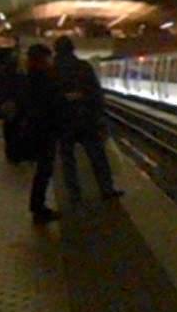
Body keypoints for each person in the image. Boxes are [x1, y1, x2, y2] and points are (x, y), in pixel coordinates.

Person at [53, 37, 122, 202]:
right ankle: (107, 188)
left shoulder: (52, 70)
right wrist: (99, 116)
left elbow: (48, 98)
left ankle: (74, 194)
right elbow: (96, 94)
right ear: (72, 49)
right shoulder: (83, 67)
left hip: (63, 122)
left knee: (68, 160)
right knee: (98, 156)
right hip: (86, 119)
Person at [21, 44, 62, 224]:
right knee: (44, 170)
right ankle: (38, 208)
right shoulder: (41, 78)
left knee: (43, 170)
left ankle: (38, 206)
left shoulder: (29, 77)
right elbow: (49, 103)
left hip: (37, 128)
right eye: (48, 58)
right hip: (44, 129)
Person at [0, 49, 29, 163]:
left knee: (9, 128)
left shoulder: (1, 74)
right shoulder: (20, 75)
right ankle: (17, 153)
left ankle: (11, 153)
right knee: (17, 128)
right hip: (18, 104)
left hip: (7, 103)